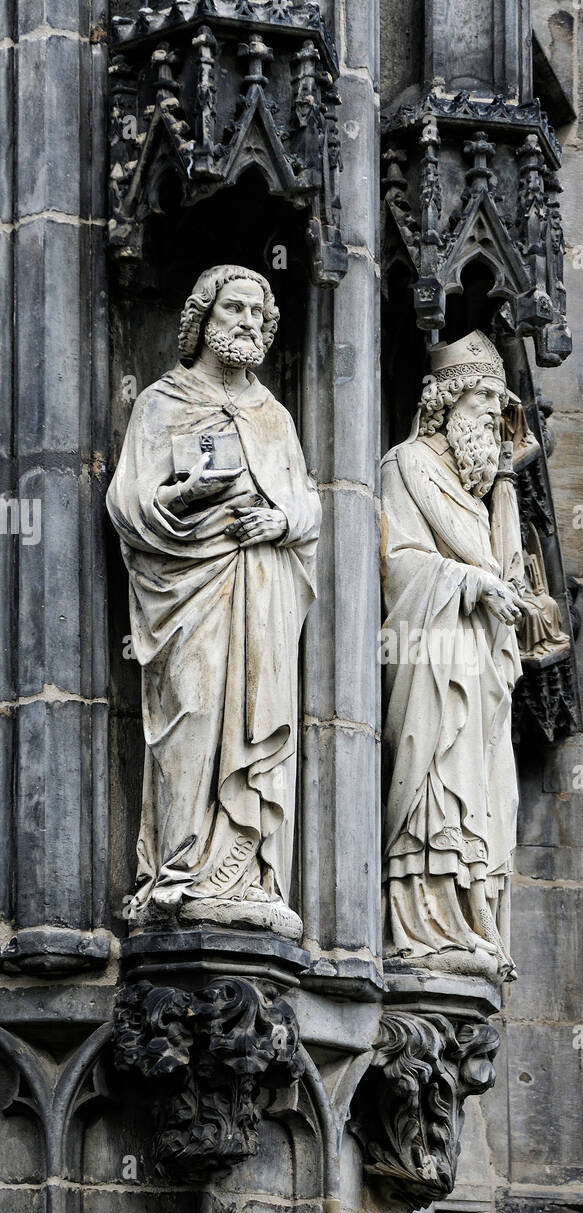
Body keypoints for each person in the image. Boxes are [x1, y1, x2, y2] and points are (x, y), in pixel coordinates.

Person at [107, 265, 321, 935]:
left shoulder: (273, 414)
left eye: (260, 313)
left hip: (259, 590)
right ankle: (178, 870)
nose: (250, 322)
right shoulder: (163, 401)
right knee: (192, 710)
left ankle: (244, 873)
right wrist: (180, 498)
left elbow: (307, 501)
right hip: (187, 593)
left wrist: (279, 521)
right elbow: (128, 500)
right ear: (203, 317)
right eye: (235, 308)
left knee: (254, 726)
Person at [380, 330, 522, 980]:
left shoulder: (475, 490)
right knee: (437, 785)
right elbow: (397, 564)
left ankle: (470, 918)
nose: (494, 419)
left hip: (478, 666)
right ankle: (422, 920)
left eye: (498, 409)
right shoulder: (404, 464)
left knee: (482, 794)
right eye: (485, 404)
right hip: (431, 656)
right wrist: (467, 583)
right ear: (448, 402)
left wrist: (504, 483)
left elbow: (508, 572)